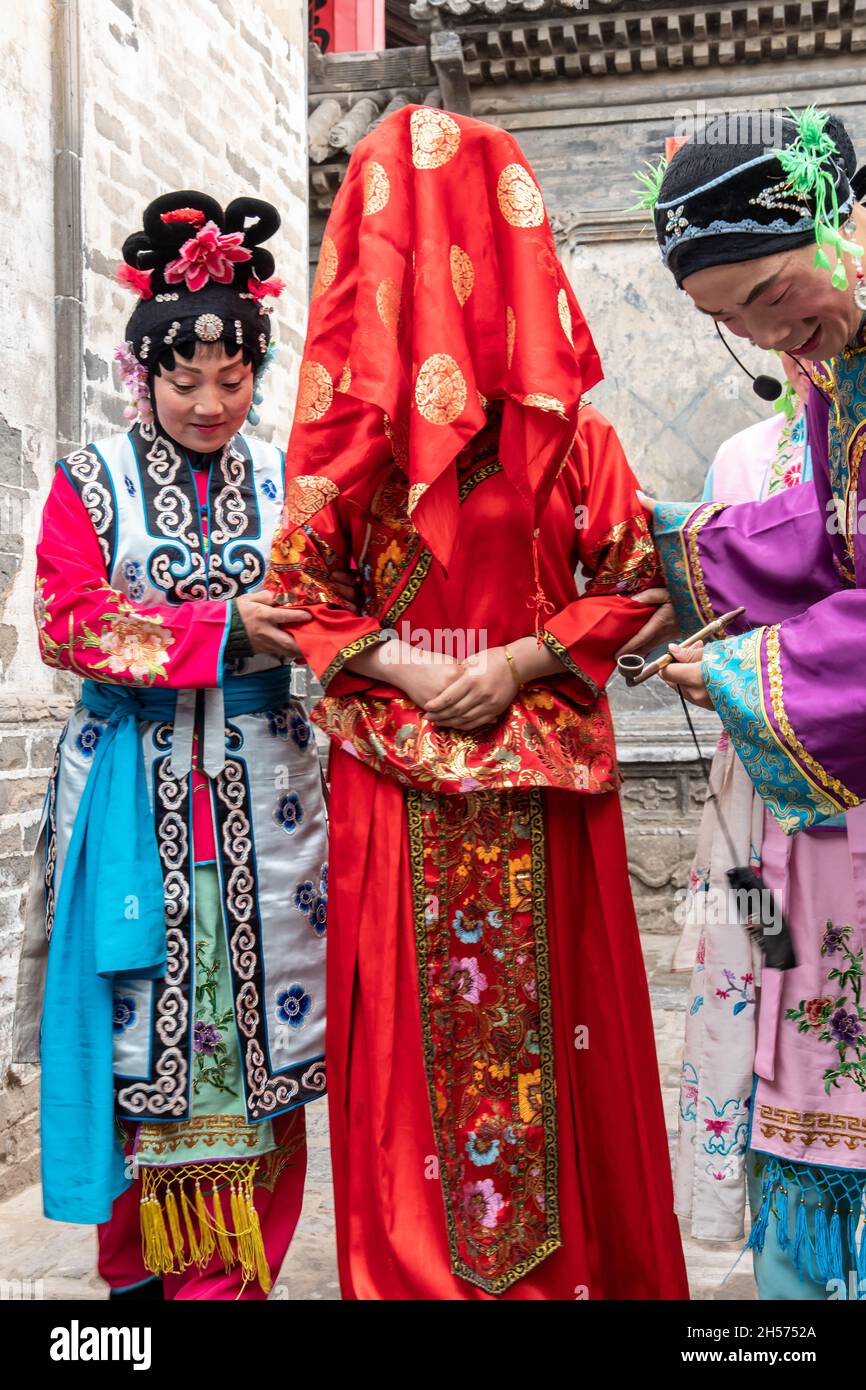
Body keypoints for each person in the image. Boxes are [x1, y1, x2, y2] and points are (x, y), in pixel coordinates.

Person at [264, 105, 689, 1300]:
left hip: (538, 789)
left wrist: (515, 662)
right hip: (399, 794)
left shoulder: (572, 438)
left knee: (557, 1046)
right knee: (405, 1065)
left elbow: (630, 579)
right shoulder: (346, 446)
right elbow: (297, 591)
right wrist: (399, 662)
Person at [13, 190, 351, 1300]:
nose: (209, 402)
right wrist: (230, 627)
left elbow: (342, 607)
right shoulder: (86, 482)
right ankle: (135, 1292)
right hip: (129, 802)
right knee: (128, 1055)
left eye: (233, 378)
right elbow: (69, 623)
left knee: (268, 1054)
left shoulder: (293, 485)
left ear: (257, 373)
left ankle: (235, 1277)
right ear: (141, 373)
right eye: (183, 379)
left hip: (272, 810)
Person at [628, 107, 866, 1297]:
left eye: (771, 296)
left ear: (834, 219)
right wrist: (673, 558)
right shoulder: (840, 375)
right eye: (728, 322)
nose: (769, 336)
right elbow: (828, 535)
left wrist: (738, 673)